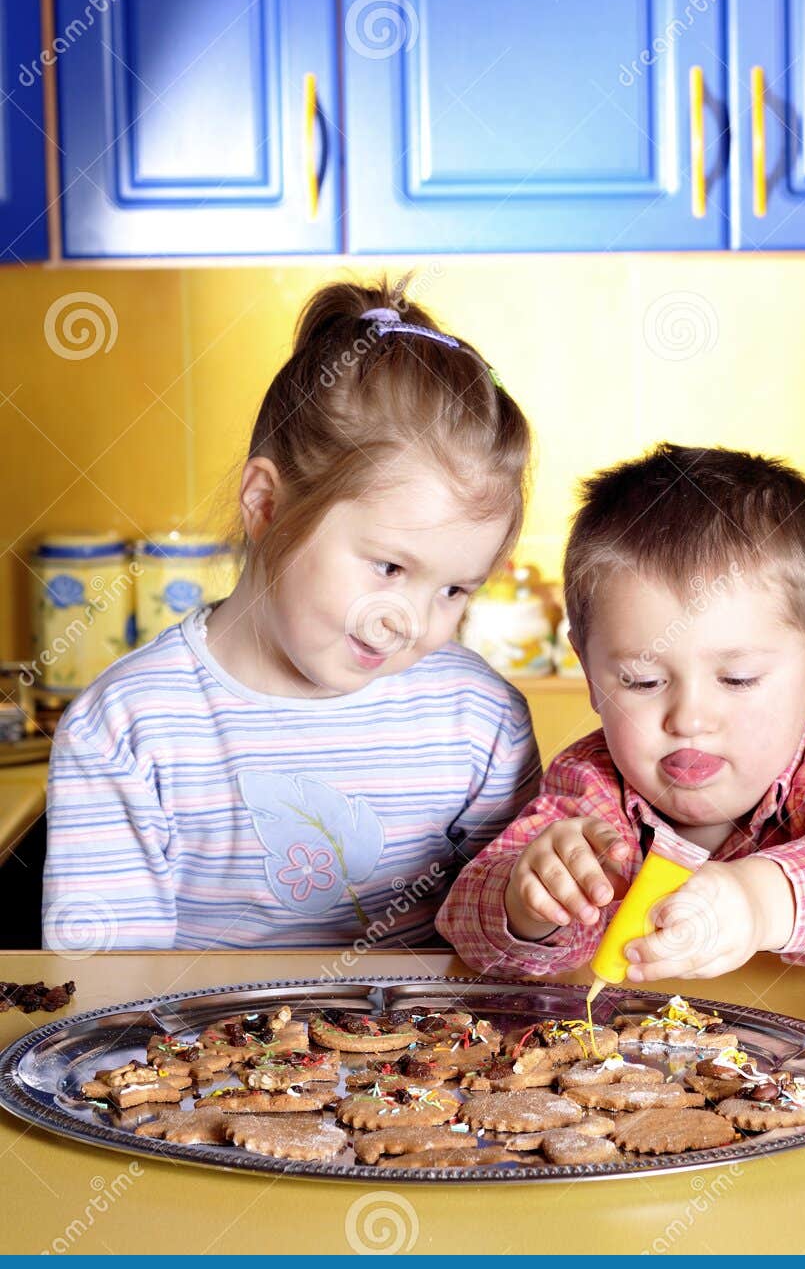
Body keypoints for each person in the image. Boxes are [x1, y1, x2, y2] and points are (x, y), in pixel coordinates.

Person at [42, 278, 540, 950]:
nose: (413, 623)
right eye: (389, 568)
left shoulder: (481, 721)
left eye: (455, 590)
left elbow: (506, 959)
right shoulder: (128, 730)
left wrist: (535, 911)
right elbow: (106, 1002)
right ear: (266, 506)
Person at [438, 445, 805, 979]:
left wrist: (756, 902)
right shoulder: (589, 789)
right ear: (591, 676)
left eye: (738, 679)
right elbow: (468, 923)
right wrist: (527, 905)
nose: (688, 718)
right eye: (643, 681)